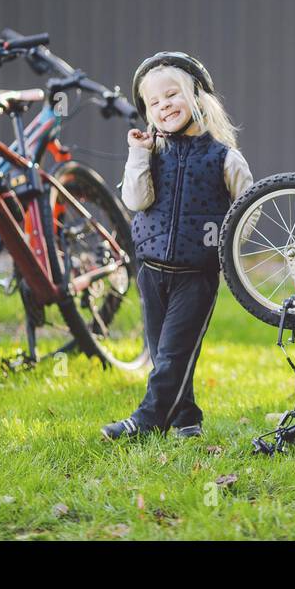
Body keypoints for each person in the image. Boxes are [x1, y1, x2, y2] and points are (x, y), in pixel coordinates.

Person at [101, 52, 252, 441]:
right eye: (154, 102)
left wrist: (228, 246)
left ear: (197, 95)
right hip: (150, 271)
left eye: (172, 95)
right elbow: (136, 200)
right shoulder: (151, 152)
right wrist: (138, 154)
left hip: (195, 275)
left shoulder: (224, 157)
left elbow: (249, 208)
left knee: (172, 356)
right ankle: (187, 419)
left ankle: (146, 421)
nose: (164, 105)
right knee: (164, 353)